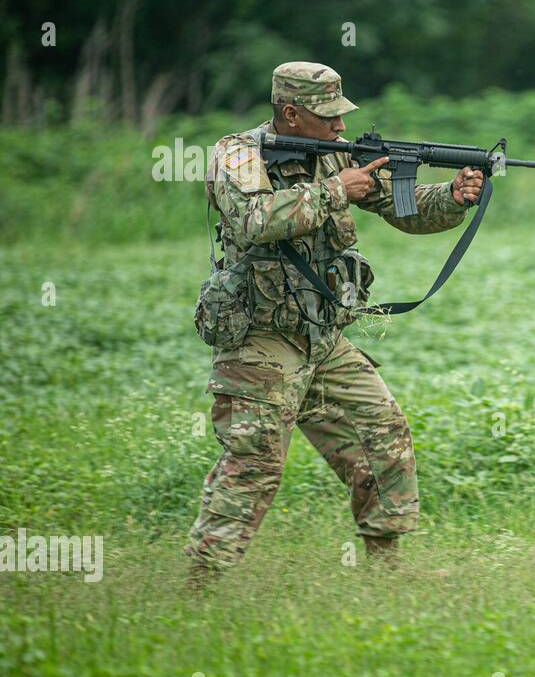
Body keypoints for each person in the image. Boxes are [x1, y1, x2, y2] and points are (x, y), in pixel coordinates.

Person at [186, 61, 483, 586]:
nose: (341, 128)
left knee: (381, 433)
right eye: (330, 117)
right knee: (254, 463)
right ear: (292, 113)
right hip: (261, 338)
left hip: (322, 334)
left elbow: (403, 208)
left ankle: (385, 568)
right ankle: (202, 581)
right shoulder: (236, 155)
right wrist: (336, 192)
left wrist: (451, 198)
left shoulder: (335, 157)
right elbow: (255, 221)